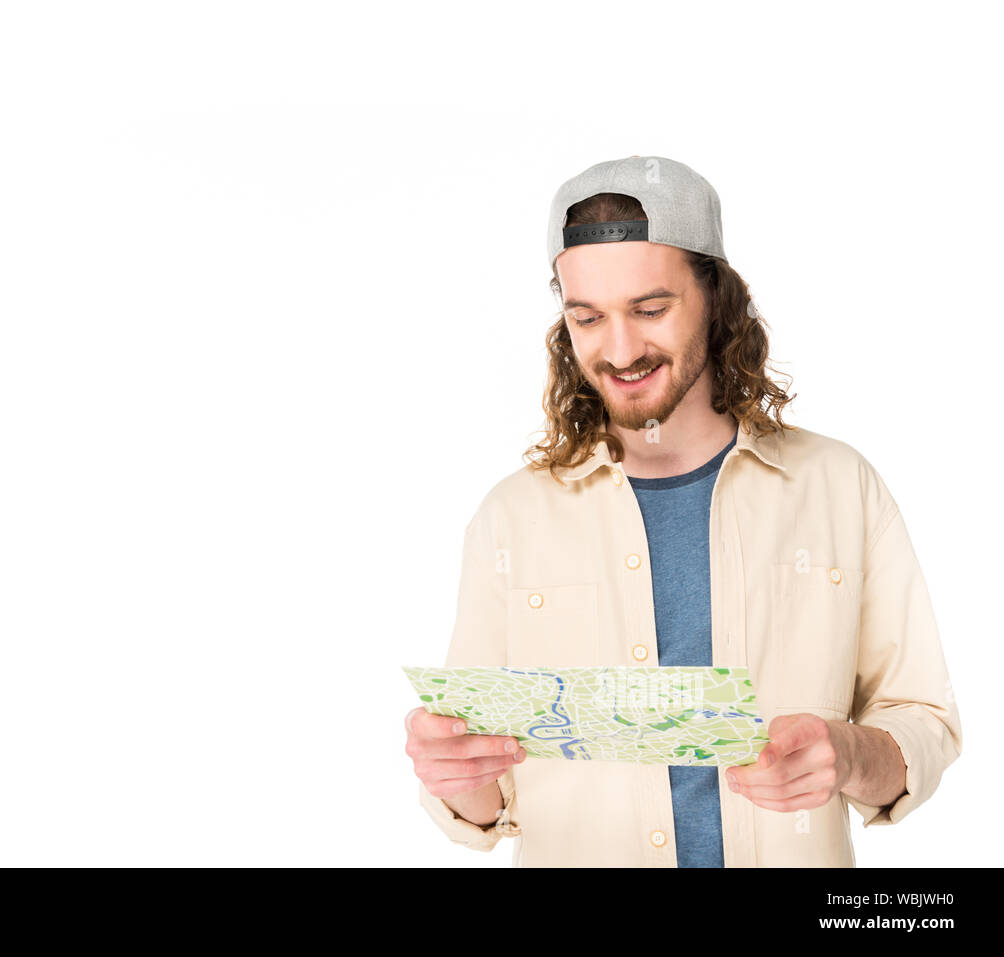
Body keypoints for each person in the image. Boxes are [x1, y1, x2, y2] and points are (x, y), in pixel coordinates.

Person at [403, 156, 962, 867]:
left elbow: (925, 723)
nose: (621, 349)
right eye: (587, 317)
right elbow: (487, 793)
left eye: (650, 309)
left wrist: (849, 752)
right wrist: (455, 772)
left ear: (718, 297)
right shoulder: (509, 520)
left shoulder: (840, 487)